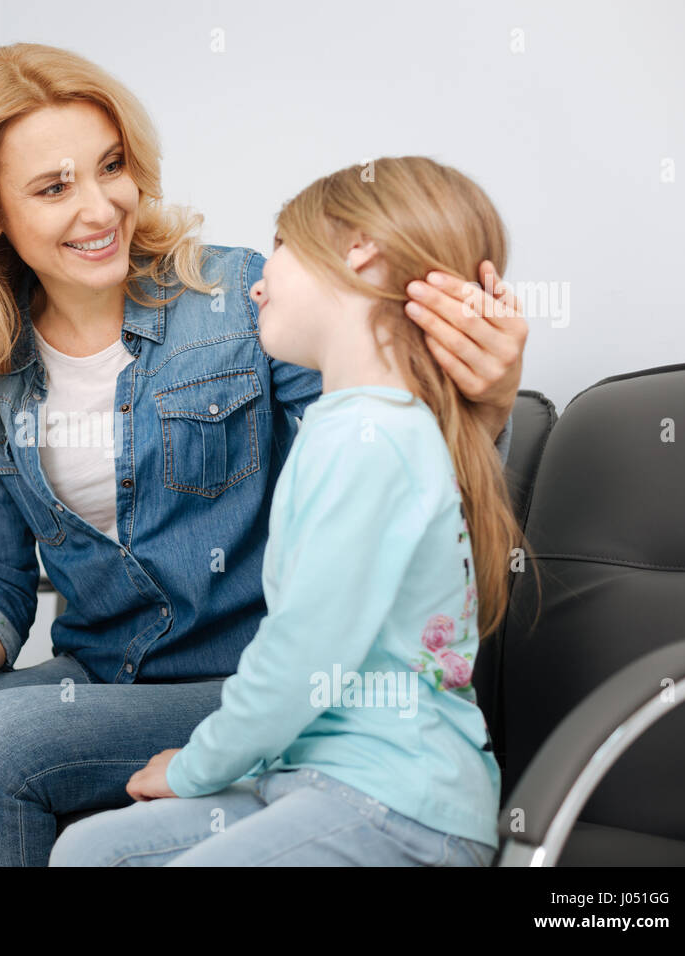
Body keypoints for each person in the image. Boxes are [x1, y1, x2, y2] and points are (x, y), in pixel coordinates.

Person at [0, 43, 528, 866]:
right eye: (54, 187)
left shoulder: (243, 300)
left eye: (111, 167)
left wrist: (488, 402)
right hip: (96, 683)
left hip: (252, 679)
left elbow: (388, 471)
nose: (100, 208)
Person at [49, 156, 531, 867]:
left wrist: (195, 766)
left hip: (398, 799)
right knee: (87, 852)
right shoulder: (342, 427)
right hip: (309, 776)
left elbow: (303, 657)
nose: (255, 278)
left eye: (280, 246)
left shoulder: (374, 440)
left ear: (359, 249)